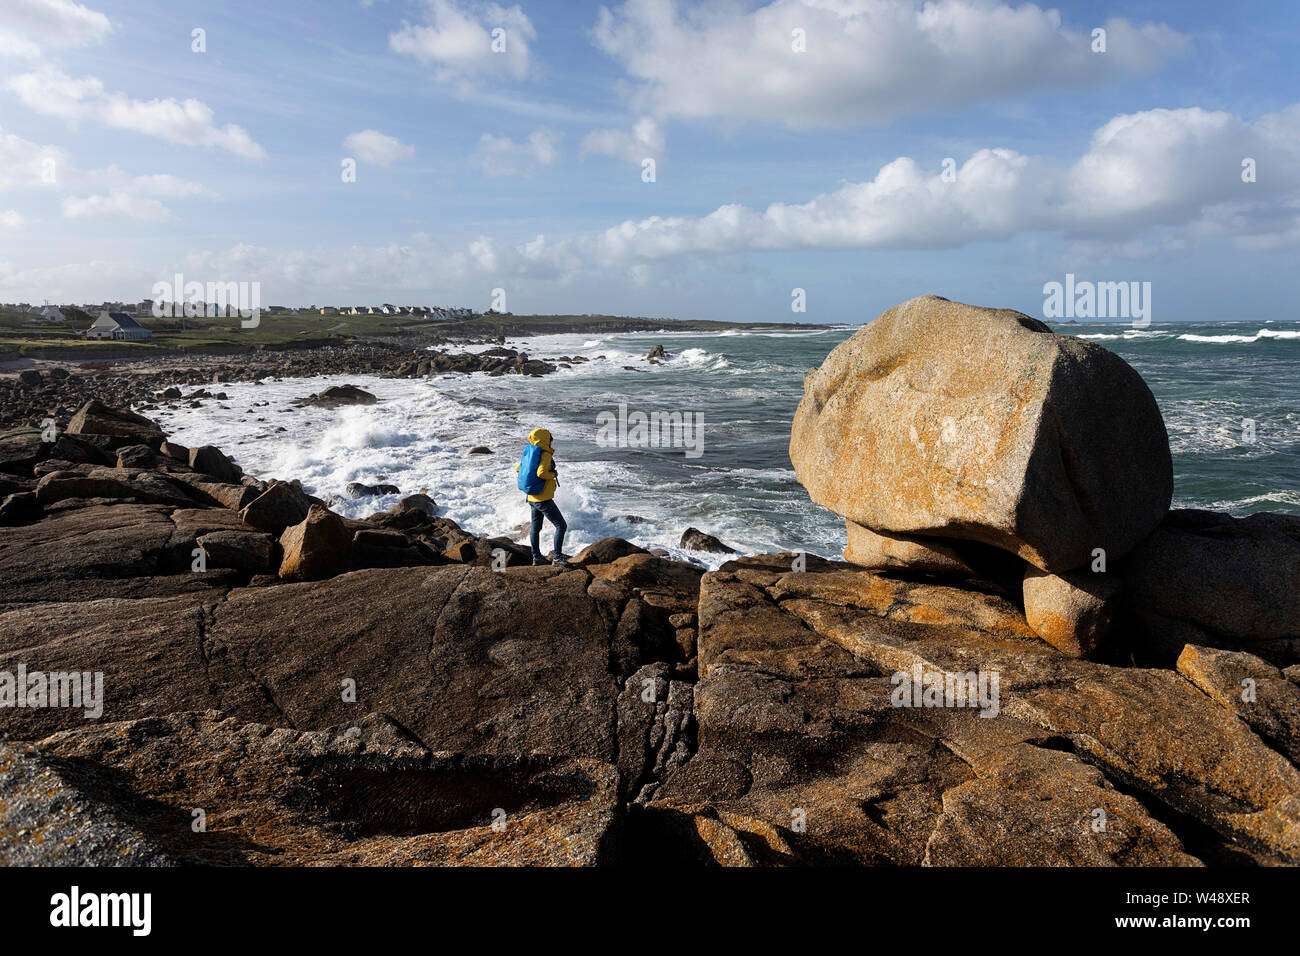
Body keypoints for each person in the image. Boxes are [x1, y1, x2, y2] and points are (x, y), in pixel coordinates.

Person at [516, 427, 569, 566]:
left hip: (531, 497)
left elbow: (518, 468)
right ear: (546, 440)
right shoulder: (545, 454)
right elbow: (541, 473)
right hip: (543, 498)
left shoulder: (529, 452)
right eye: (550, 441)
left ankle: (536, 557)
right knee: (561, 525)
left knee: (535, 528)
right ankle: (557, 558)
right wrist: (553, 475)